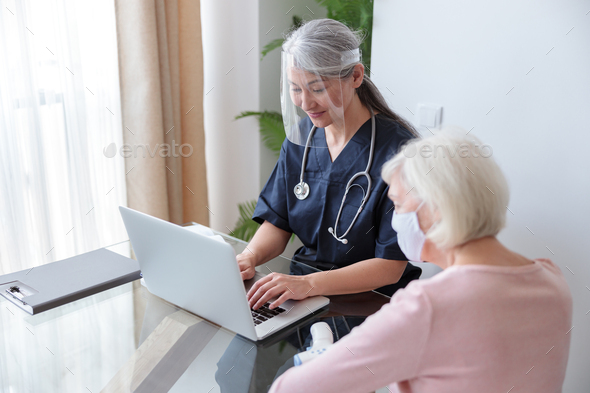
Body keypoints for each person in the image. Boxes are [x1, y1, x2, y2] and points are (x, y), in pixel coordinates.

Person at [268, 131, 573, 393]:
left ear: (435, 209)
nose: (395, 220)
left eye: (398, 205)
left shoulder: (428, 306)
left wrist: (325, 362)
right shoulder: (552, 281)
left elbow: (292, 388)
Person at [238, 18, 422, 312]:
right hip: (302, 294)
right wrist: (248, 257)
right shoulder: (302, 138)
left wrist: (310, 284)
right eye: (295, 89)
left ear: (356, 76)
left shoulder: (400, 151)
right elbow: (278, 221)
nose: (305, 103)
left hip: (372, 301)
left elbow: (390, 266)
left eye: (317, 89)